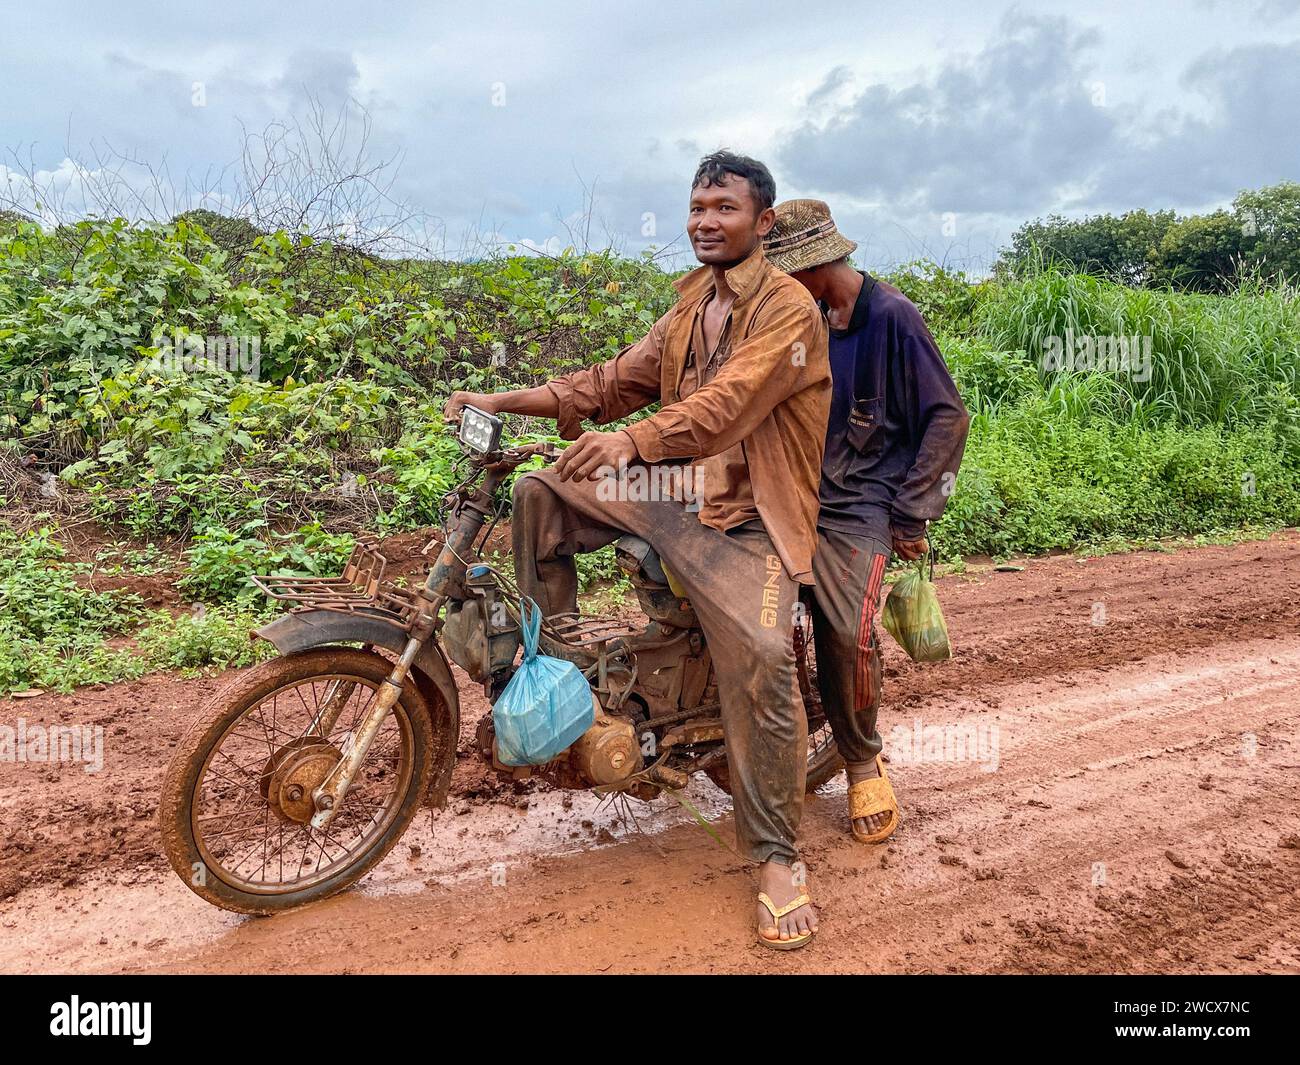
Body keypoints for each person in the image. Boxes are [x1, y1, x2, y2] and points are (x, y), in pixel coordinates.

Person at [445, 152, 831, 948]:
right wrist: (501, 399)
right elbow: (609, 382)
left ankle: (776, 857)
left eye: (723, 207)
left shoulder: (790, 310)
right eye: (696, 206)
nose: (703, 221)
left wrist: (633, 440)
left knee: (762, 657)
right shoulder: (694, 303)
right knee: (541, 492)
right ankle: (554, 679)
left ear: (763, 223)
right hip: (674, 493)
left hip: (748, 516)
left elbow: (728, 406)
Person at [763, 199, 971, 844]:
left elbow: (947, 418)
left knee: (847, 629)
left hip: (863, 505)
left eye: (785, 274)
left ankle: (860, 760)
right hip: (794, 490)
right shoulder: (806, 321)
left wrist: (912, 511)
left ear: (815, 267)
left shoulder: (892, 318)